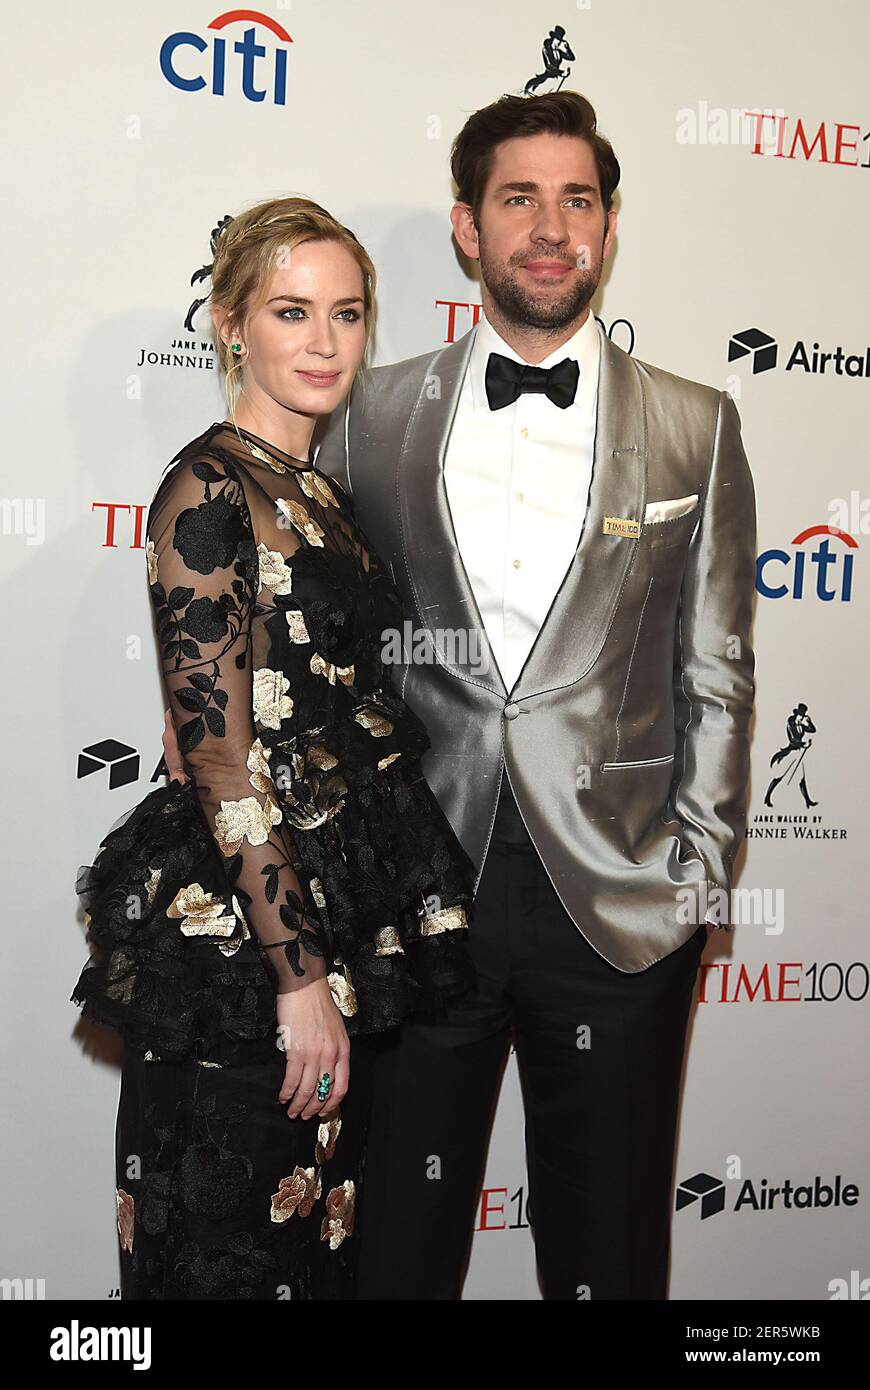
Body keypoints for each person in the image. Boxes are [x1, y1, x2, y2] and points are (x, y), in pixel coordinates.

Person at [309, 90, 758, 1301]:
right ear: (468, 227)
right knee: (395, 1249)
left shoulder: (695, 427)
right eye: (521, 199)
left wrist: (698, 883)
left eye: (580, 200)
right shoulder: (365, 417)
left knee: (606, 1254)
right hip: (418, 900)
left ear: (608, 229)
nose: (552, 227)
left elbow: (715, 667)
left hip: (617, 907)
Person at [70, 196, 477, 1301]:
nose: (325, 340)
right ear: (233, 324)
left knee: (311, 1254)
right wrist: (296, 977)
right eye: (292, 311)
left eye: (347, 313)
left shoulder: (320, 494)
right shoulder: (209, 485)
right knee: (225, 1257)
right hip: (249, 939)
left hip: (330, 904)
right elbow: (215, 756)